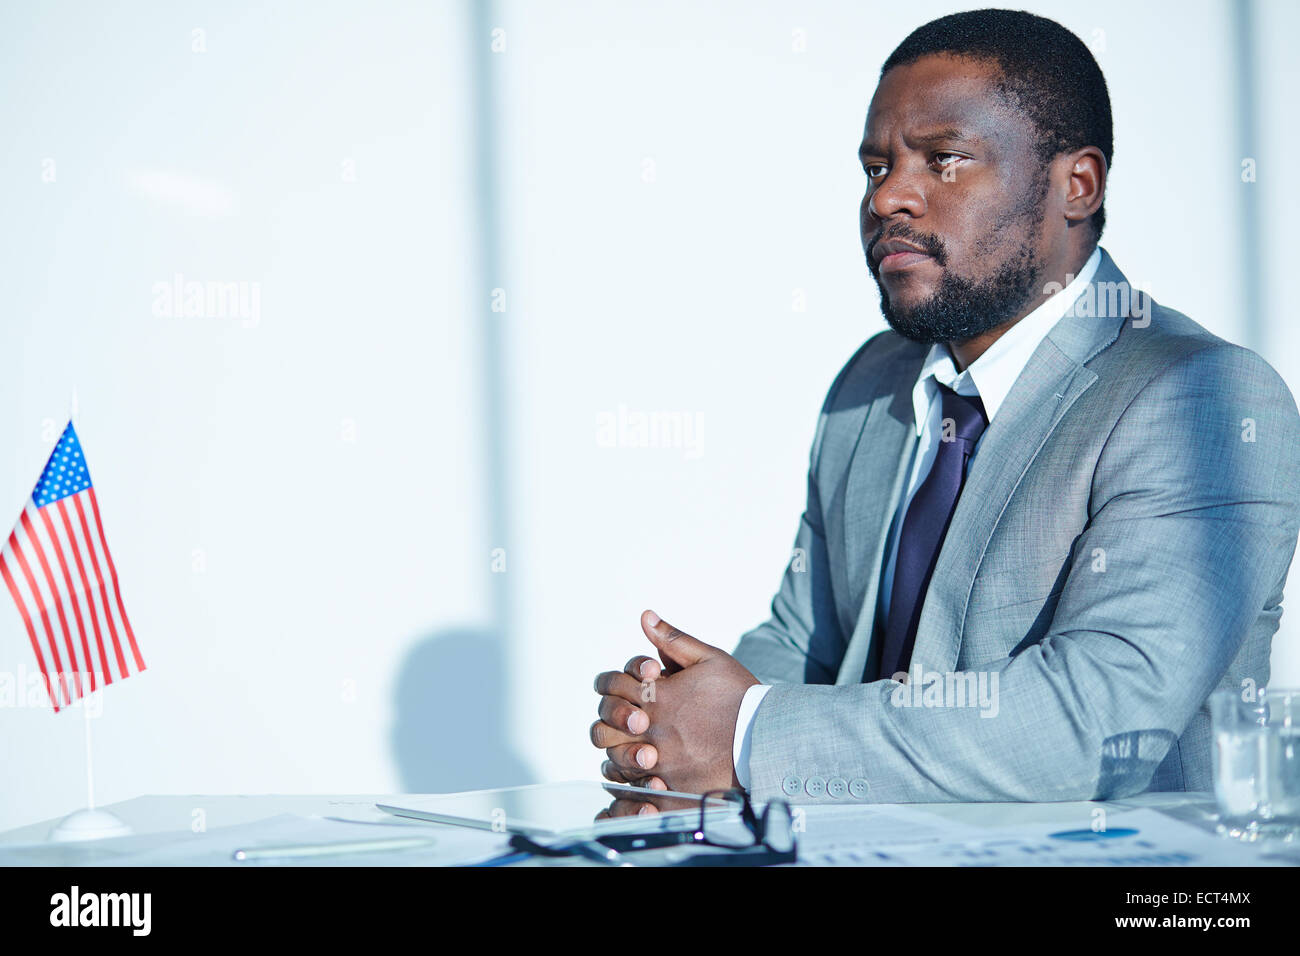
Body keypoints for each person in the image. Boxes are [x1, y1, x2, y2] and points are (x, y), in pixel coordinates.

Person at [589, 8, 1300, 804]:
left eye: (945, 159)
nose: (890, 195)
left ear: (1077, 185)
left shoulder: (1199, 395)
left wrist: (753, 733)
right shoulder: (870, 388)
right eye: (875, 168)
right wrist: (675, 716)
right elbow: (808, 646)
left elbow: (1093, 725)